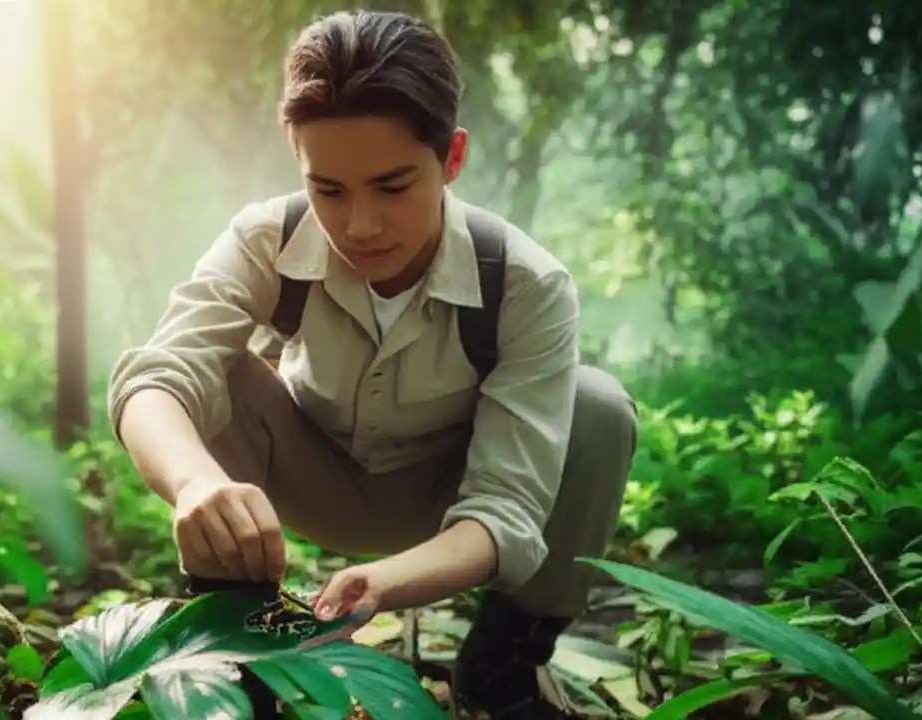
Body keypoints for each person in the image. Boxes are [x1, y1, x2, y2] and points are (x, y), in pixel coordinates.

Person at [107, 9, 637, 718]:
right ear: (298, 163)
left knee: (597, 405)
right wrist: (197, 482)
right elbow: (153, 378)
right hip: (306, 477)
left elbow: (506, 509)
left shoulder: (524, 283)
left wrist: (382, 585)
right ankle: (237, 647)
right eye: (329, 190)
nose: (359, 225)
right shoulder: (268, 238)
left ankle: (506, 663)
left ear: (452, 158)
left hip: (451, 503)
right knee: (217, 374)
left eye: (392, 187)